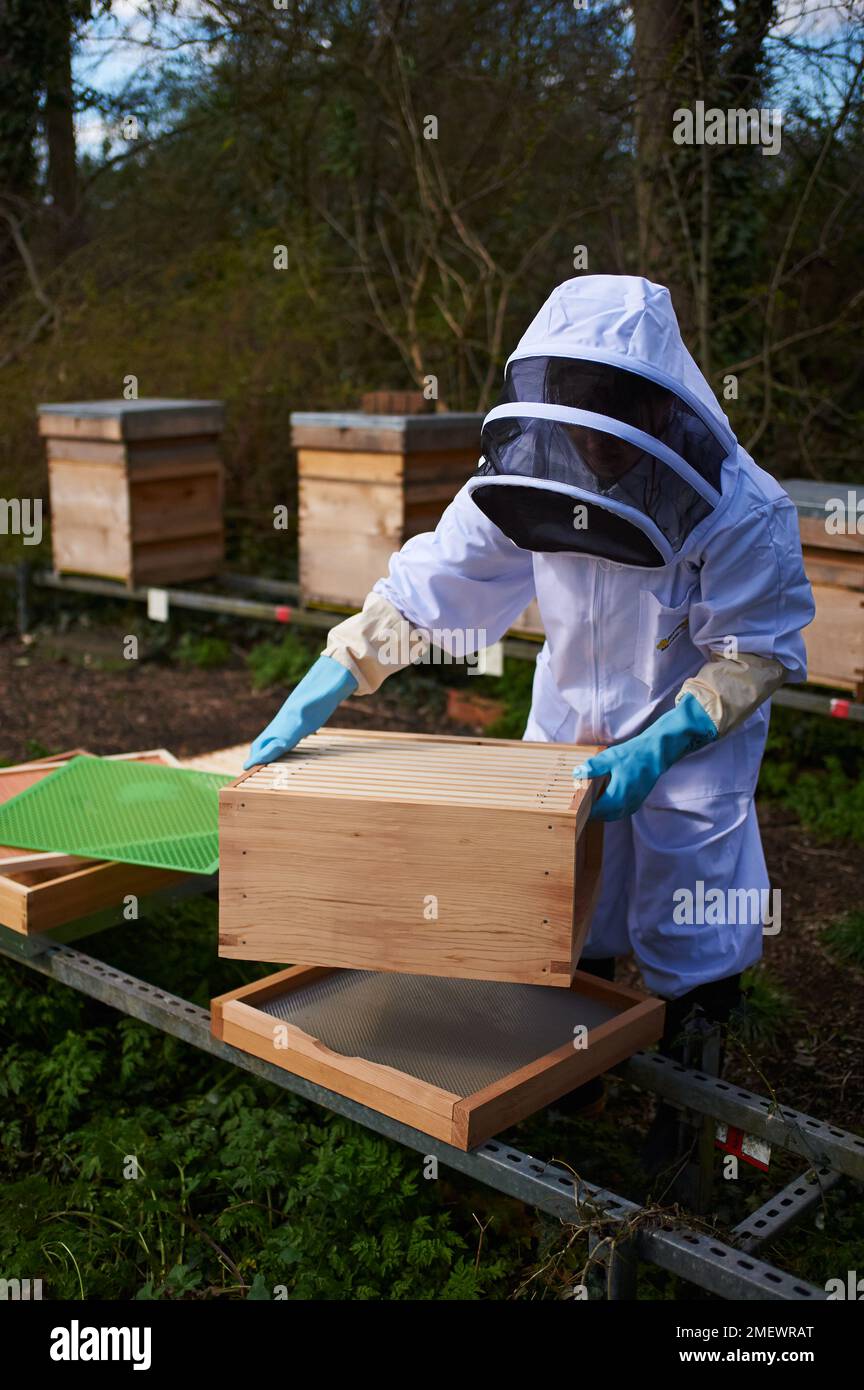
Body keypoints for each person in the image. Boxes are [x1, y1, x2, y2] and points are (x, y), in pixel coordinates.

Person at [245, 274, 815, 1143]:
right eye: (580, 417)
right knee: (557, 904)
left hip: (688, 749)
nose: (596, 448)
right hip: (565, 730)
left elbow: (758, 652)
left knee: (690, 921)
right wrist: (341, 666)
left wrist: (664, 744)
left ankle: (690, 1110)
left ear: (659, 409)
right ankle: (566, 1084)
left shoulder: (742, 508)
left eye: (612, 419)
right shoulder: (530, 471)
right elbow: (438, 585)